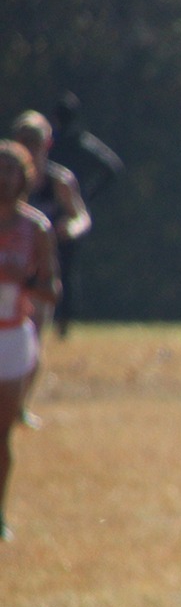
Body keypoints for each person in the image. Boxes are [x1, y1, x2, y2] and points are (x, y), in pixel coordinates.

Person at [0, 139, 61, 540]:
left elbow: (50, 289)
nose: (3, 178)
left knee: (0, 433)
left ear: (25, 177)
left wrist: (24, 283)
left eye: (10, 170)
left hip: (11, 338)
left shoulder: (35, 228)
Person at [9, 112, 86, 423]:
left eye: (35, 142)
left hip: (41, 268)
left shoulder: (59, 181)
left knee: (34, 335)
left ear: (48, 144)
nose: (30, 147)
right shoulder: (7, 180)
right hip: (9, 269)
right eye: (24, 141)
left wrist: (68, 229)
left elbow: (81, 217)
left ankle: (19, 405)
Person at [47, 92, 123, 338]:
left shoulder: (51, 143)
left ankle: (50, 319)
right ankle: (63, 324)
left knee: (46, 268)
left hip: (50, 212)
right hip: (72, 212)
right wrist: (88, 195)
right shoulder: (82, 142)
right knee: (67, 272)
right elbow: (112, 167)